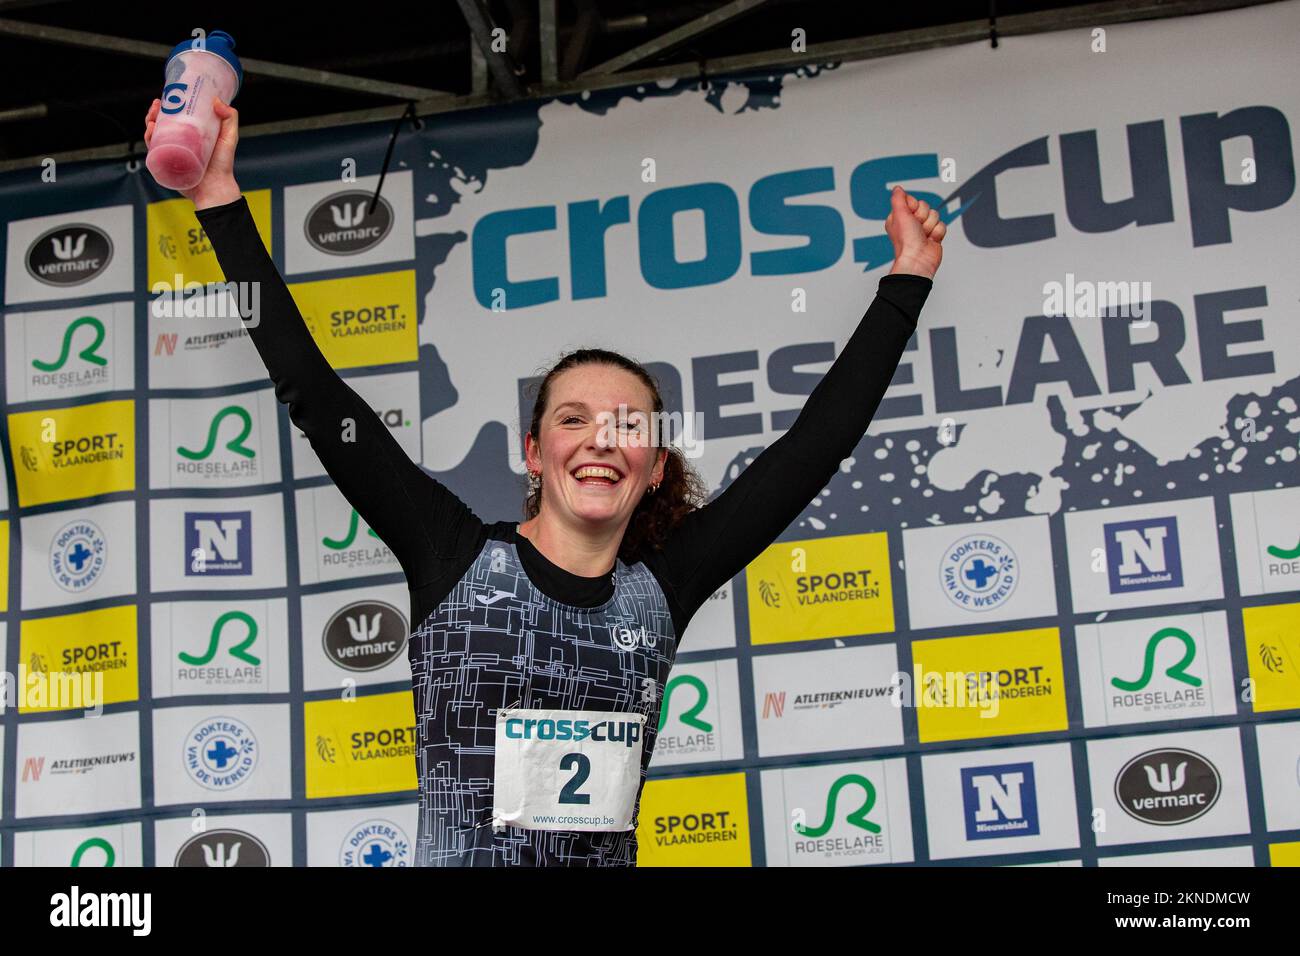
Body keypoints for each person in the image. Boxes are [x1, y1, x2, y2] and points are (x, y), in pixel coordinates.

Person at [144, 96, 945, 866]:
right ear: (533, 452)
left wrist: (906, 281)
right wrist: (217, 197)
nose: (602, 441)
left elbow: (811, 450)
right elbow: (315, 396)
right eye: (573, 420)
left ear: (655, 464)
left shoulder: (662, 591)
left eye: (628, 425)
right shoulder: (451, 553)